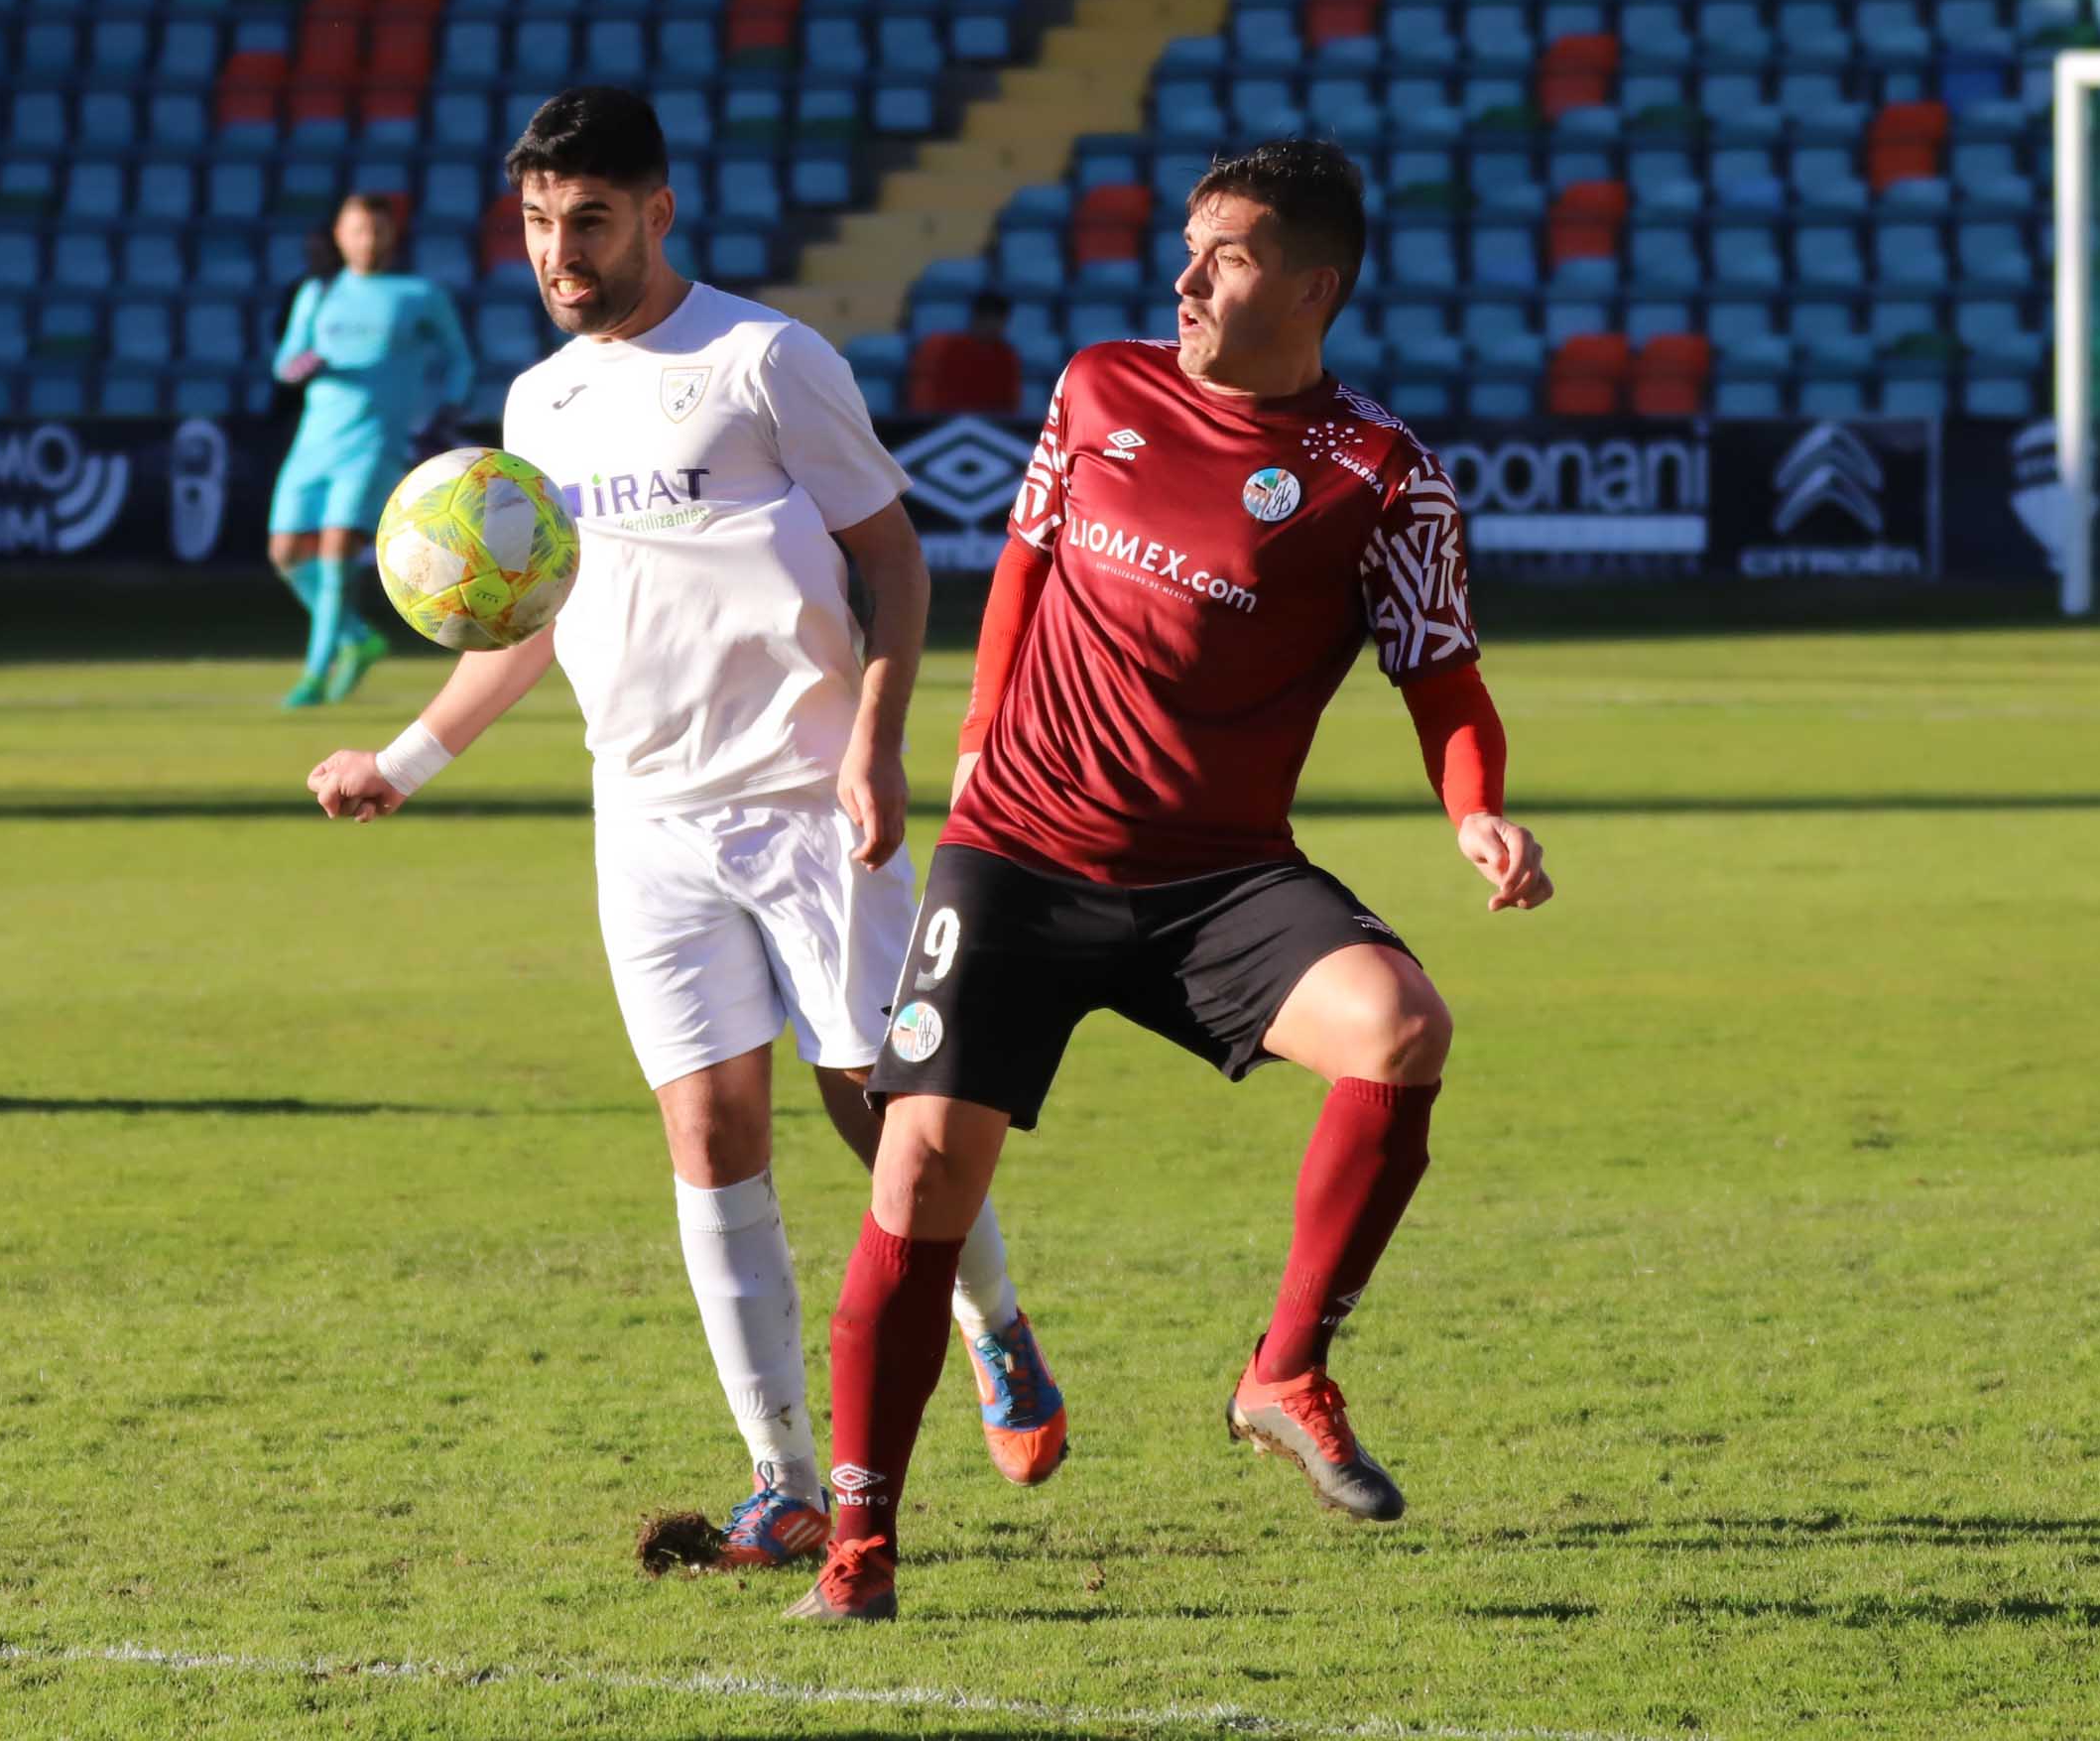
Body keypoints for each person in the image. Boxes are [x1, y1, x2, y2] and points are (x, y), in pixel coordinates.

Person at [786, 139, 1554, 1625]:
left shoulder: (1380, 476)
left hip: (1217, 878)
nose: (1187, 278)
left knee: (1401, 1026)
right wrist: (974, 739)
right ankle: (859, 1547)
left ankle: (1285, 1371)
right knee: (918, 1173)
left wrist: (1477, 811)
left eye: (1229, 256)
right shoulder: (1098, 387)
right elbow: (1024, 567)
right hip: (1019, 852)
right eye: (1189, 247)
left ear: (1313, 286)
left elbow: (1443, 673)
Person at [304, 86, 1067, 1571]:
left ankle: (994, 1318)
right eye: (539, 222)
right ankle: (783, 1479)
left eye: (589, 220)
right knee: (709, 1134)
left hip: (808, 803)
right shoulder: (538, 406)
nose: (560, 251)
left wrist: (876, 740)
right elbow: (528, 624)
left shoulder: (765, 360)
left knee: (879, 1108)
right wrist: (405, 759)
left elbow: (896, 564)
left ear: (657, 212)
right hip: (646, 820)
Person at [267, 194, 477, 708]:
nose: (368, 240)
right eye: (358, 230)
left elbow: (460, 359)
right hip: (314, 441)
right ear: (340, 236)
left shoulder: (418, 294)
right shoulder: (318, 293)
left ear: (393, 234)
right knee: (285, 553)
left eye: (378, 229)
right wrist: (299, 367)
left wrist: (447, 409)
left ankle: (314, 675)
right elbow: (284, 362)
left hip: (374, 442)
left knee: (337, 548)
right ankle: (357, 638)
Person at [904, 291, 1022, 419]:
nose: (996, 326)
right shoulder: (951, 349)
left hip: (992, 423)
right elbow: (935, 397)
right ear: (977, 318)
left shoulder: (1007, 356)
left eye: (1001, 321)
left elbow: (1010, 403)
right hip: (950, 420)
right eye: (991, 319)